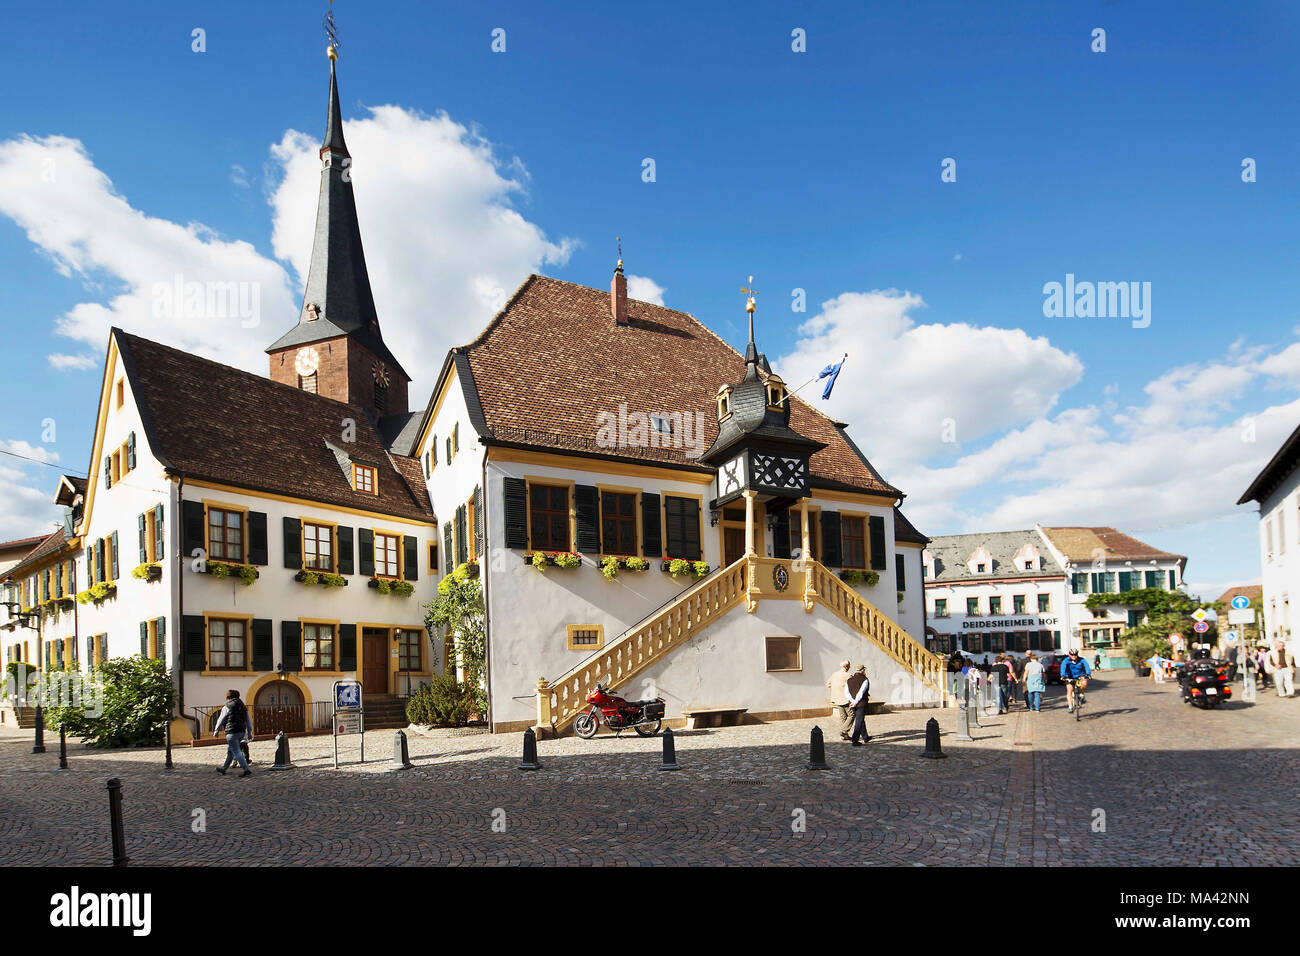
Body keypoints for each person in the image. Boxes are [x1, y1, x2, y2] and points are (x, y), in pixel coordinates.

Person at [213, 689, 253, 777]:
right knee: (230, 750)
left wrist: (216, 730)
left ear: (228, 697)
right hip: (242, 731)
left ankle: (246, 769)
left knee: (236, 751)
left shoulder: (227, 706)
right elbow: (248, 720)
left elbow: (221, 719)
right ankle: (224, 768)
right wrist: (249, 732)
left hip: (231, 732)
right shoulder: (243, 706)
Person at [826, 659, 853, 740]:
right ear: (846, 666)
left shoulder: (834, 674)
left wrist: (835, 691)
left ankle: (845, 735)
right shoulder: (848, 675)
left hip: (837, 698)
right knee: (852, 715)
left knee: (843, 717)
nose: (849, 667)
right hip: (845, 699)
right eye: (849, 666)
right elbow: (852, 688)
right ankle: (844, 731)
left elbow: (828, 684)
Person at [1059, 648, 1091, 712]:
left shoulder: (1081, 660)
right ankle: (1070, 706)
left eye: (1075, 654)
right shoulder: (1066, 661)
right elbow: (1063, 668)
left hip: (1079, 676)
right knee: (1069, 691)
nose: (1074, 656)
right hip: (1069, 677)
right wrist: (1063, 676)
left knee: (1084, 682)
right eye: (1072, 654)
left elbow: (1087, 666)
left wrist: (1088, 674)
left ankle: (1081, 694)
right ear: (1069, 655)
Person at [845, 665, 871, 746]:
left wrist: (852, 701)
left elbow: (846, 692)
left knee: (860, 719)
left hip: (852, 703)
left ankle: (865, 737)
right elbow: (861, 692)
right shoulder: (864, 680)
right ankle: (855, 740)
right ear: (862, 671)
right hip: (860, 703)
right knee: (859, 721)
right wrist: (856, 701)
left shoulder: (849, 680)